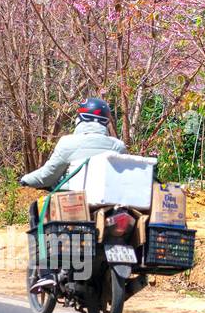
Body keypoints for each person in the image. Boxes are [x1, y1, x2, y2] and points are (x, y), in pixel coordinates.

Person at [20, 96, 126, 291]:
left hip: (74, 203)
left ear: (79, 120)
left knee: (38, 211)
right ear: (106, 121)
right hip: (110, 205)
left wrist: (26, 179)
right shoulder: (118, 146)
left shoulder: (68, 143)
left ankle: (46, 272)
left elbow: (47, 175)